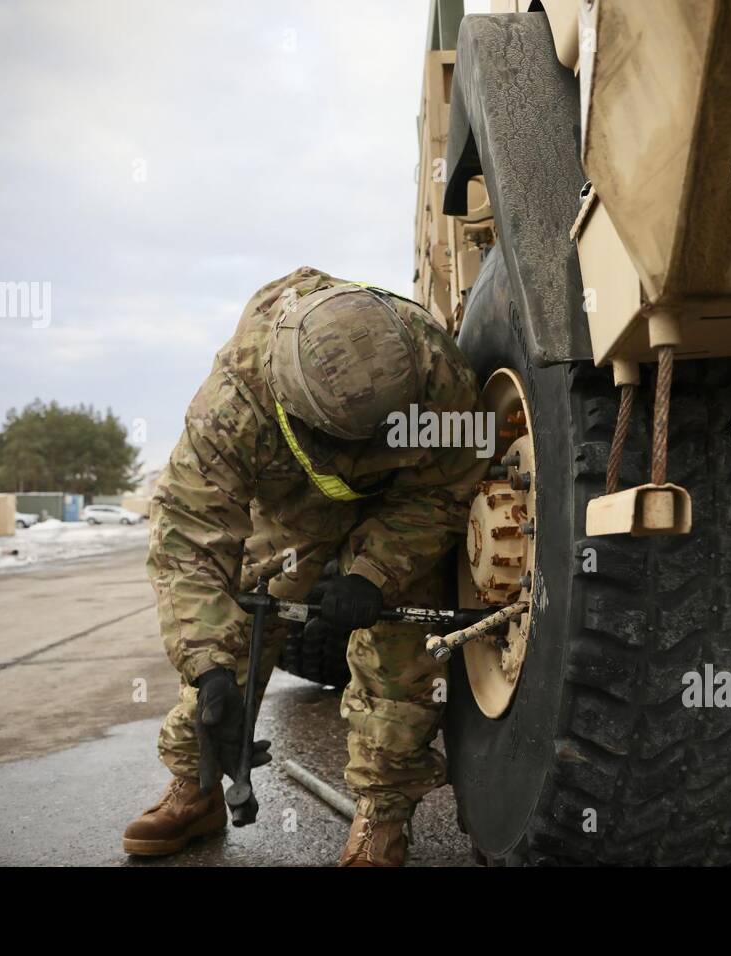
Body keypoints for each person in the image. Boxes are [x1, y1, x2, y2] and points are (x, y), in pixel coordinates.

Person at [121, 266, 485, 866]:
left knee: (402, 657)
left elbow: (447, 485)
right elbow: (188, 540)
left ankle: (382, 817)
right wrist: (207, 663)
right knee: (233, 641)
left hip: (401, 510)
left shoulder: (439, 374)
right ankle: (198, 785)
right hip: (292, 514)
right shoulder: (233, 408)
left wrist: (375, 571)